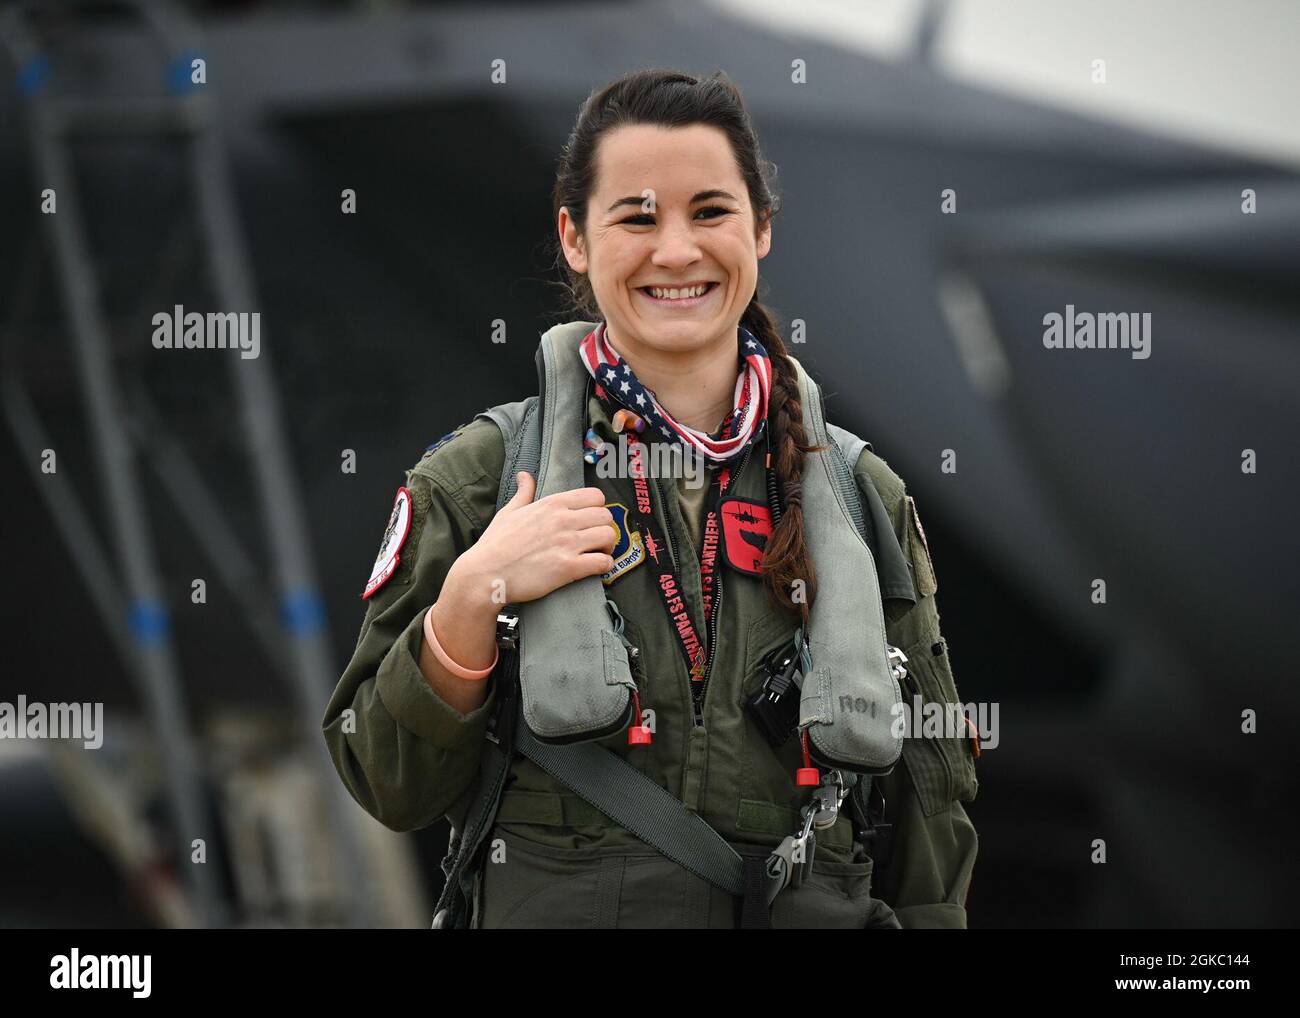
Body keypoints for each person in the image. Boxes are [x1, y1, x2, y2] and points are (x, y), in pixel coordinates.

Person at [322, 68, 978, 929]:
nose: (676, 251)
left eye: (710, 212)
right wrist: (470, 599)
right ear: (575, 238)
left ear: (762, 230)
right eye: (636, 217)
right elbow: (385, 781)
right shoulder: (483, 478)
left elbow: (931, 805)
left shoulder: (858, 499)